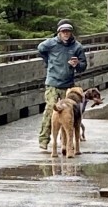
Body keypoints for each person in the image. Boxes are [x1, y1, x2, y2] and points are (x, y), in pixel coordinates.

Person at [37, 20, 87, 151]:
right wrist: (48, 62)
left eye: (68, 31)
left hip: (68, 85)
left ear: (71, 33)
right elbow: (40, 49)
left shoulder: (77, 47)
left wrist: (77, 65)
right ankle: (44, 140)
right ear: (59, 32)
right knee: (50, 110)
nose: (66, 34)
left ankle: (64, 141)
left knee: (68, 113)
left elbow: (83, 66)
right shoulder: (51, 43)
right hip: (52, 83)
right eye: (63, 31)